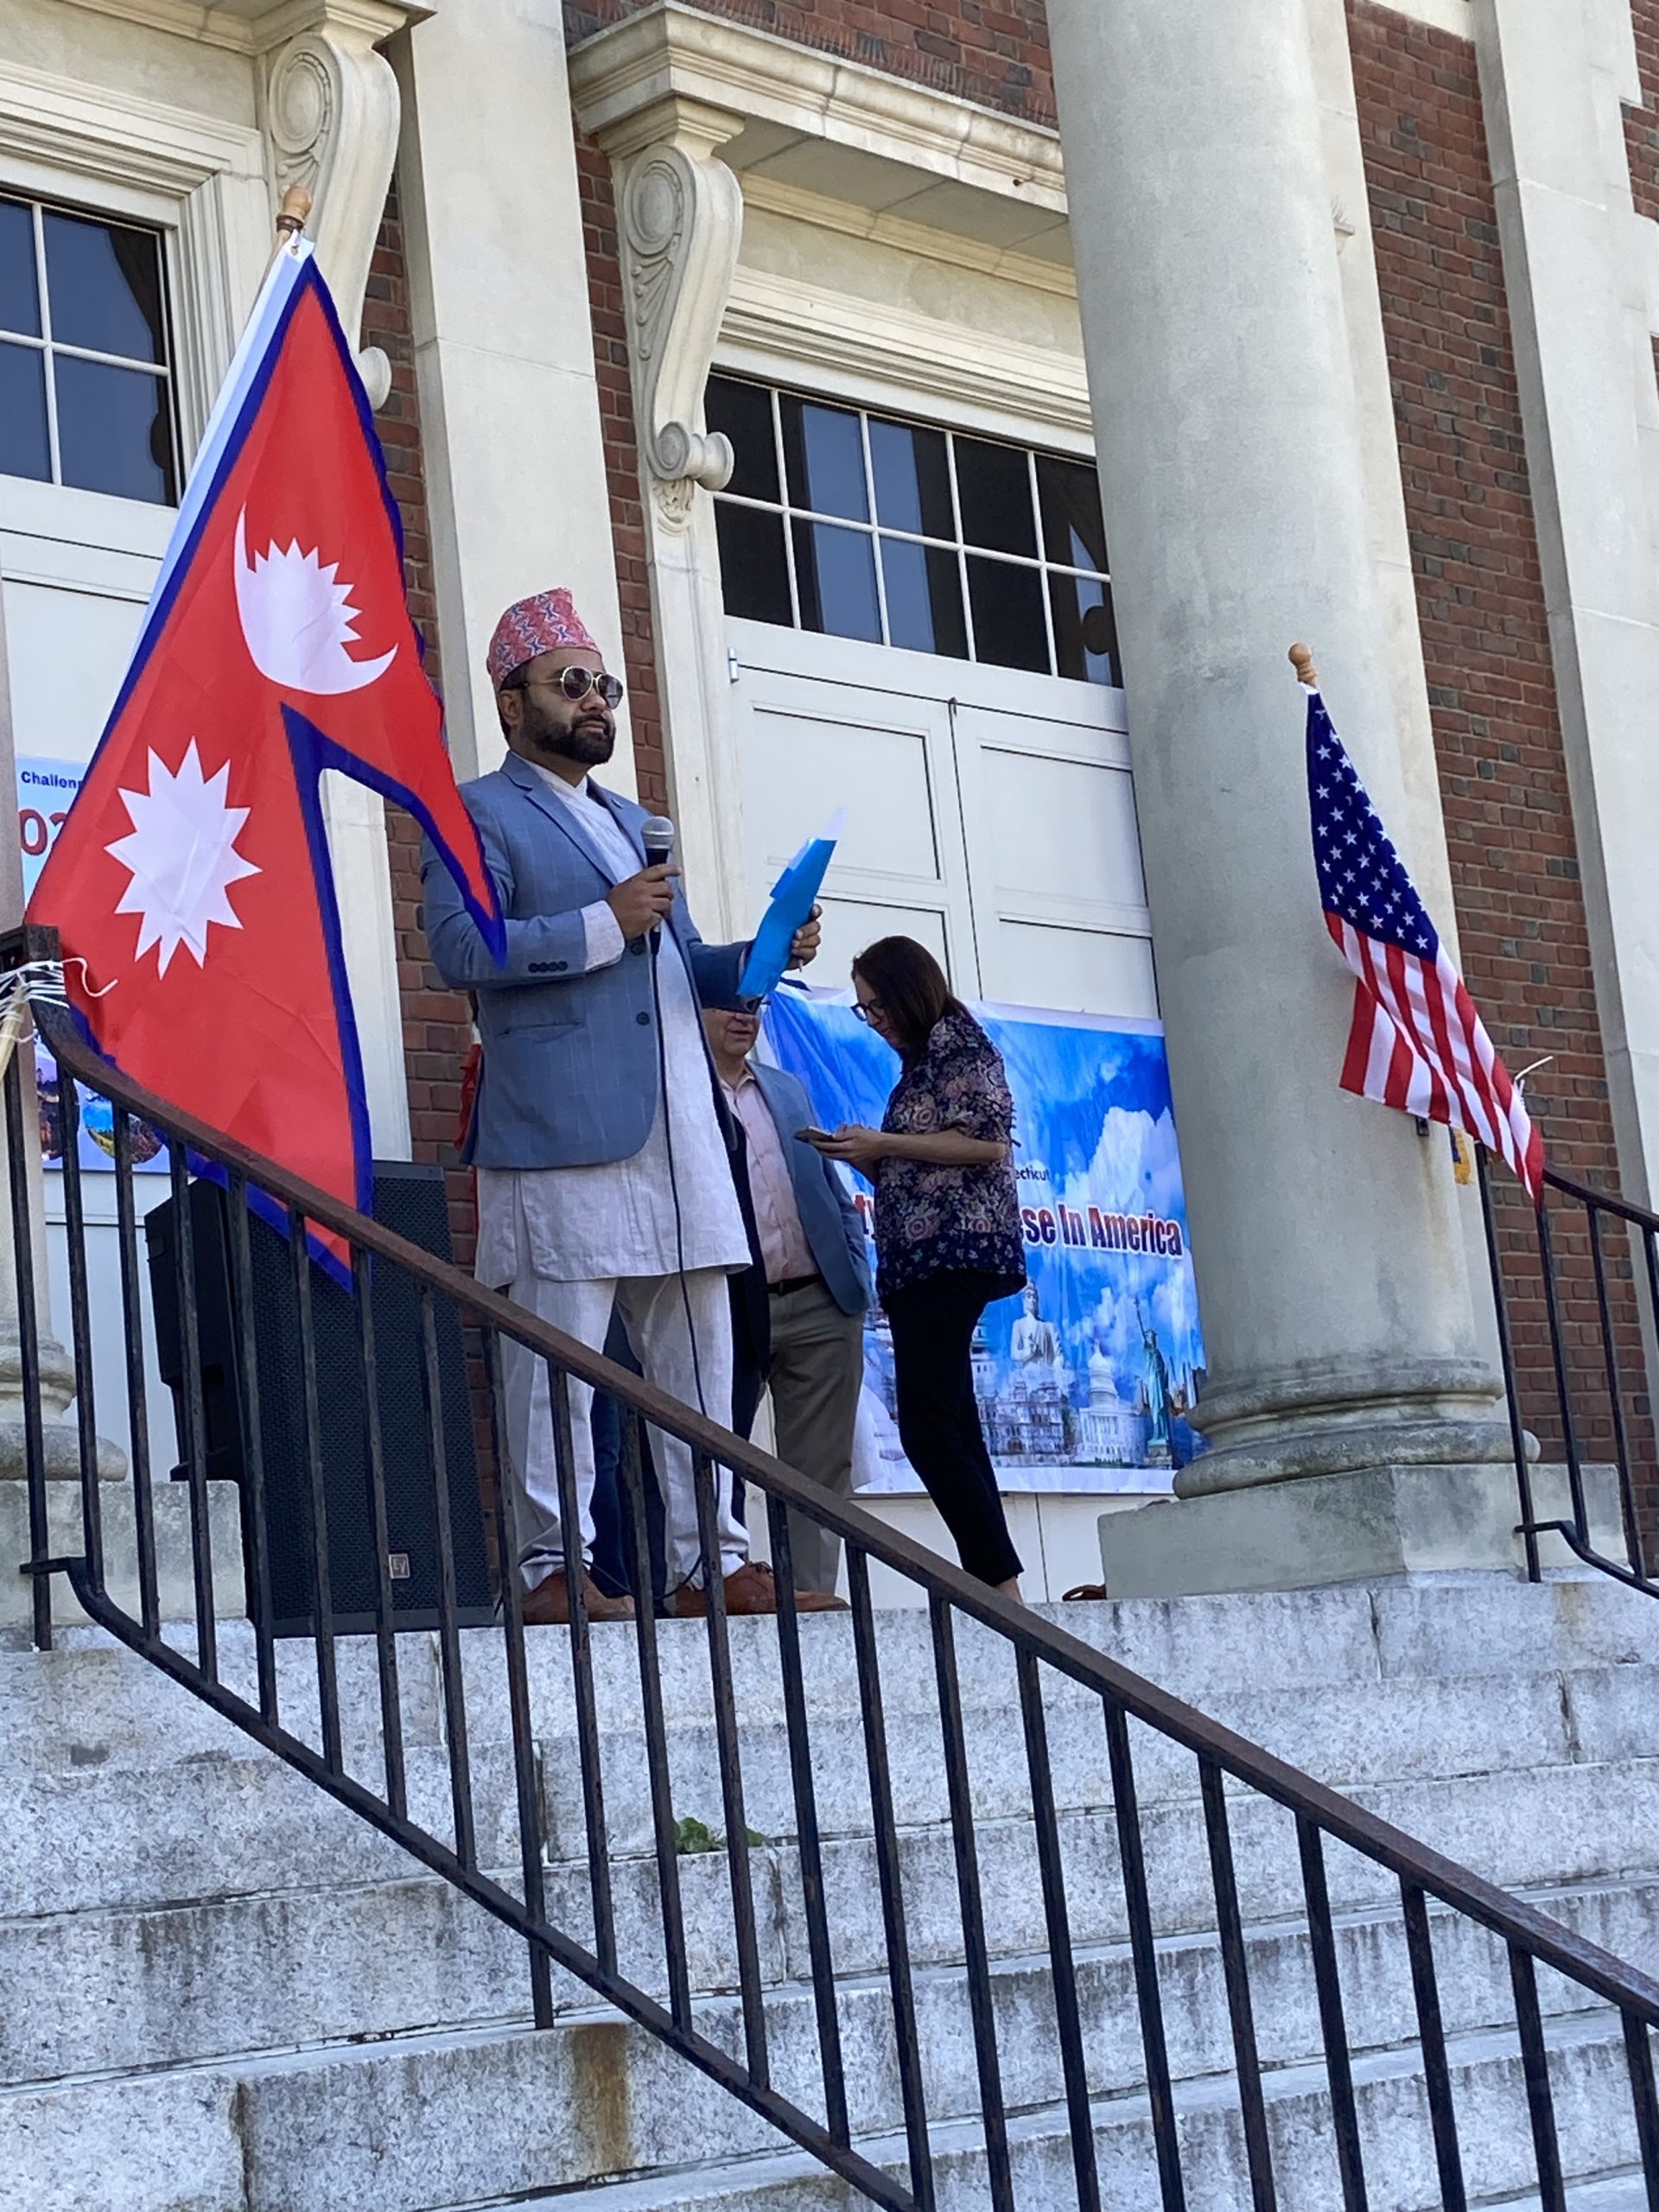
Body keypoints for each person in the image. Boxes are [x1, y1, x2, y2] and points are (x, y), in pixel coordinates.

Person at [420, 586, 838, 1626]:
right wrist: (601, 921)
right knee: (556, 1358)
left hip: (679, 1127)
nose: (596, 701)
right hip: (563, 1128)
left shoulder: (634, 823)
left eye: (604, 683)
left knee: (703, 1353)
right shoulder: (476, 812)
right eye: (572, 684)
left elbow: (684, 967)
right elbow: (460, 950)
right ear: (512, 701)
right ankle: (550, 1568)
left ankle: (714, 1562)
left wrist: (763, 954)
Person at [808, 938, 1027, 1599]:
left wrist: (883, 1143)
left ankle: (998, 1583)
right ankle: (1000, 1584)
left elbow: (986, 1141)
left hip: (952, 1253)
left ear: (909, 991)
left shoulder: (958, 1044)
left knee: (929, 1426)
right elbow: (920, 1163)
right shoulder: (919, 1064)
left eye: (878, 1006)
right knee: (950, 1422)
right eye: (863, 1011)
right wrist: (861, 1155)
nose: (874, 1020)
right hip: (918, 1257)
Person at [702, 993, 872, 1598]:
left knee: (822, 1470)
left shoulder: (785, 1087)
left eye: (755, 1002)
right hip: (726, 1304)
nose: (743, 1013)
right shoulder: (680, 1090)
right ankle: (724, 1586)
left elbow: (827, 1184)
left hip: (821, 1299)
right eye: (728, 1000)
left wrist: (854, 1273)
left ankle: (812, 1599)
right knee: (716, 1458)